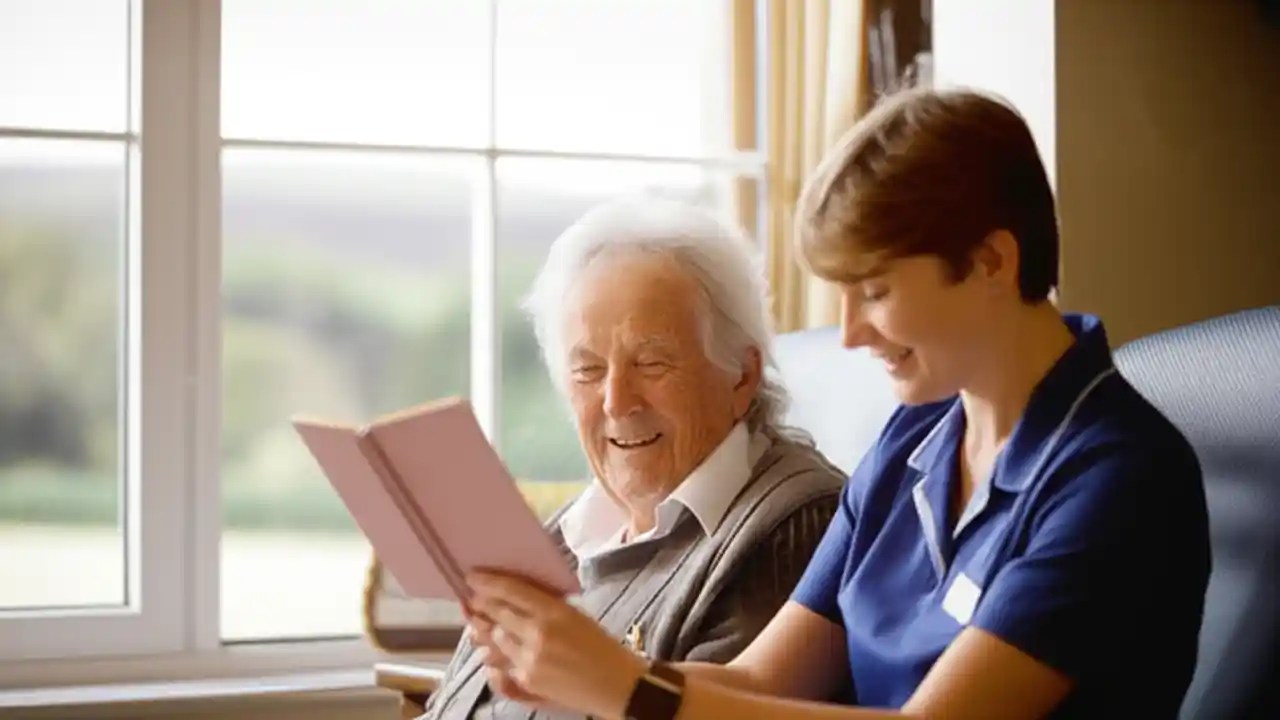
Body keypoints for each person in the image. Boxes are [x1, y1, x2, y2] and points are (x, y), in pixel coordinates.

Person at [464, 87, 1211, 719]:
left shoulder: (1118, 477)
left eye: (875, 291)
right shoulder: (912, 441)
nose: (851, 334)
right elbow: (759, 682)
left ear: (991, 262)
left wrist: (630, 691)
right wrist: (582, 670)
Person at [421, 197, 847, 719]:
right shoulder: (569, 531)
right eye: (588, 371)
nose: (617, 402)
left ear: (741, 375)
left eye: (651, 362)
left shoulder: (792, 529)